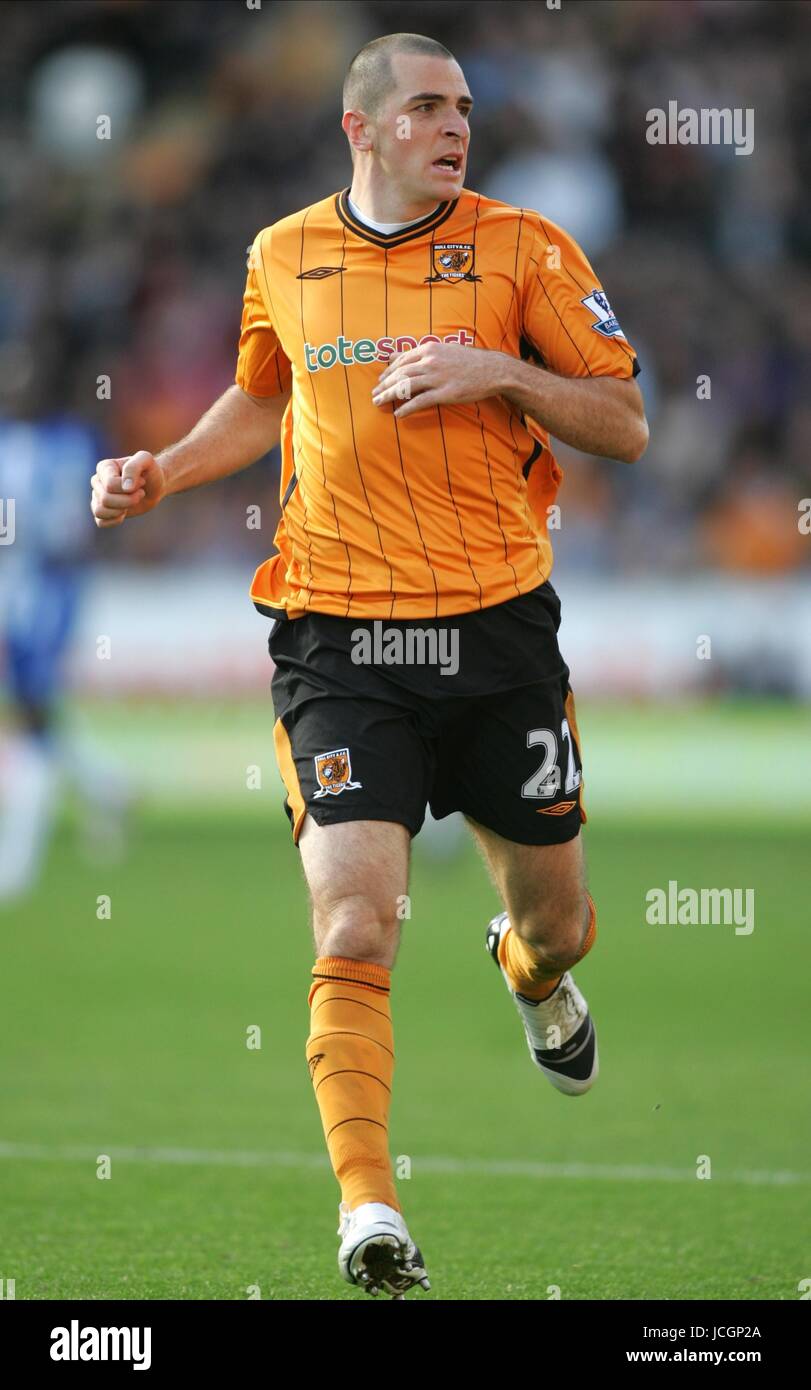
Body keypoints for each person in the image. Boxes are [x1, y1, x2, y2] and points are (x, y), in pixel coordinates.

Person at [91, 32, 648, 1300]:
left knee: (559, 927)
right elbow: (261, 396)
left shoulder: (526, 250)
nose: (457, 126)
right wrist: (160, 471)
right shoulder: (283, 254)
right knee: (353, 922)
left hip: (499, 639)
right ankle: (369, 1212)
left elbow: (625, 417)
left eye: (464, 108)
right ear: (362, 129)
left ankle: (526, 973)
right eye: (429, 109)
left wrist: (496, 370)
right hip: (338, 640)